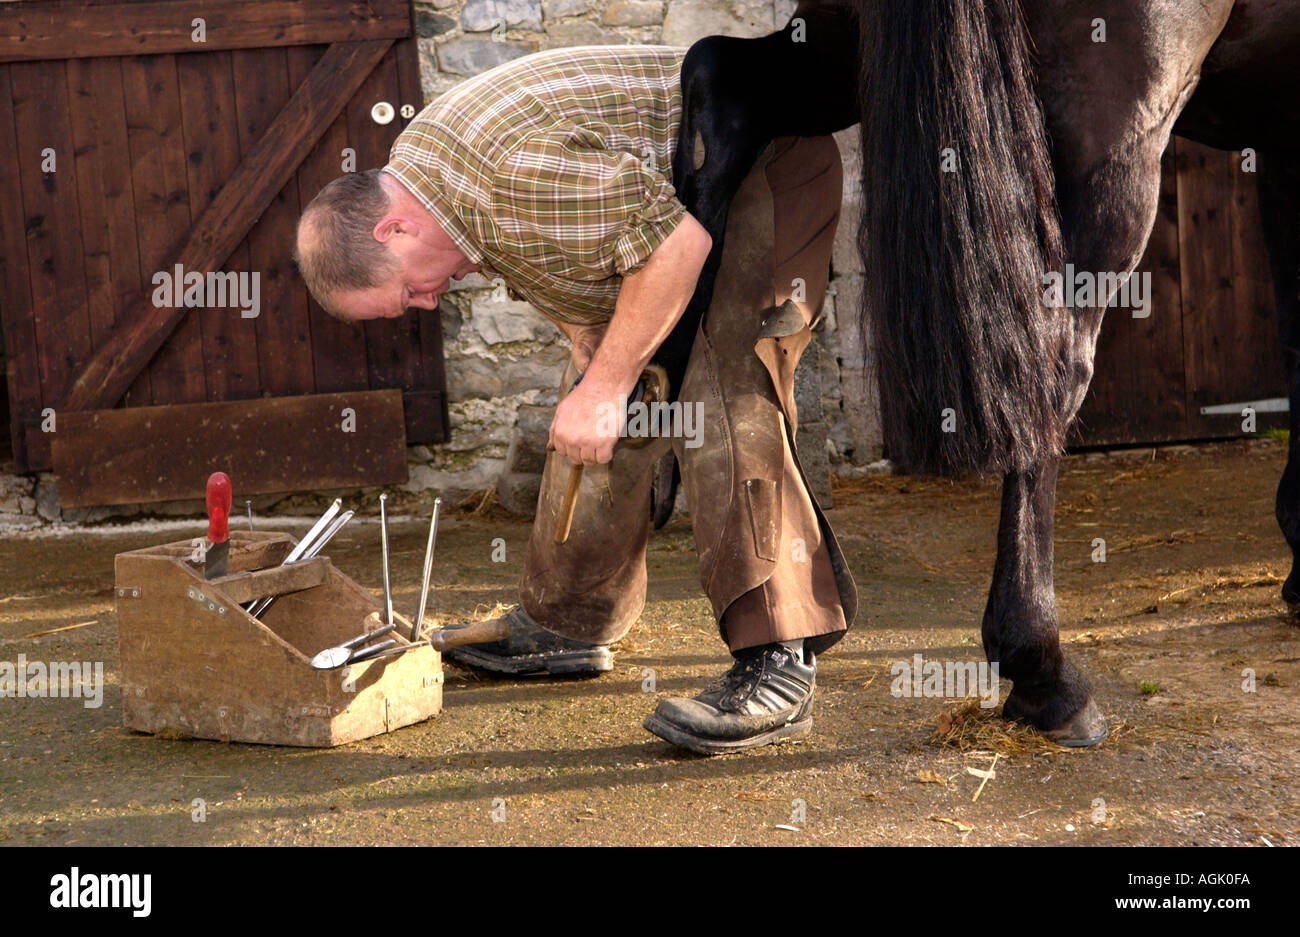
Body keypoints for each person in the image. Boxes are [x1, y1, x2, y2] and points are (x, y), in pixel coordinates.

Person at [294, 45, 856, 754]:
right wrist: (595, 354)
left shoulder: (509, 177)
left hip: (761, 159)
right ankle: (568, 620)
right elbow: (542, 250)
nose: (426, 302)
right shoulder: (422, 180)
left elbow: (674, 247)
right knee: (601, 396)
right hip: (676, 190)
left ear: (393, 228)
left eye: (408, 290)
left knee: (723, 382)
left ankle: (779, 655)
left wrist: (609, 382)